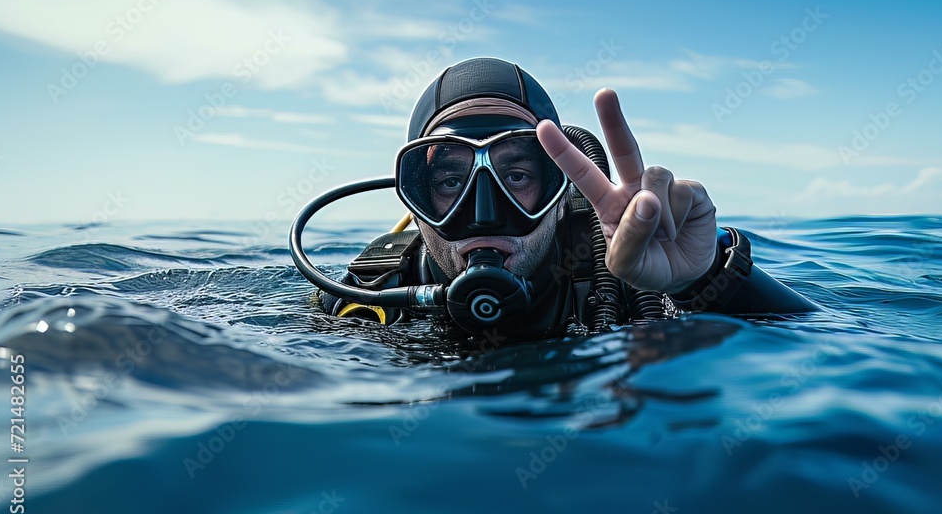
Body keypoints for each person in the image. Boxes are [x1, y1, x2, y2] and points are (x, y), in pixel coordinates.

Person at [309, 57, 817, 340]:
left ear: (558, 187)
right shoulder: (367, 297)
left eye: (518, 174)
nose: (485, 215)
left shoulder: (618, 282)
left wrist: (701, 279)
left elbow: (814, 341)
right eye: (448, 182)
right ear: (416, 198)